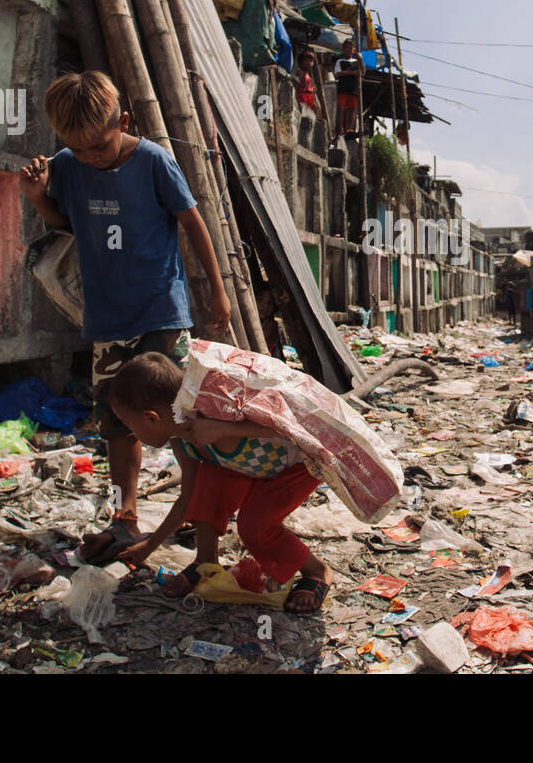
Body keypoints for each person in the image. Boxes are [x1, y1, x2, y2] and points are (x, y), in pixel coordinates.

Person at [18, 71, 232, 565]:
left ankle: (200, 514)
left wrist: (217, 293)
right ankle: (125, 513)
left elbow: (193, 223)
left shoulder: (154, 160)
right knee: (116, 420)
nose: (92, 156)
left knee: (178, 415)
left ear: (125, 121)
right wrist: (37, 196)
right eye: (80, 148)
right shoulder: (68, 165)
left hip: (160, 309)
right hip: (106, 318)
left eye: (101, 144)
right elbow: (65, 222)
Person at [109, 352, 333, 614]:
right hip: (248, 467)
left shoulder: (213, 418)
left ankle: (316, 571)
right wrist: (149, 546)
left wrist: (228, 429)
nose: (130, 433)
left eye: (128, 424)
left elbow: (291, 426)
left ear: (151, 418)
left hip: (296, 467)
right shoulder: (180, 439)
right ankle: (205, 561)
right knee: (205, 486)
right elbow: (188, 499)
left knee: (255, 526)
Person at [333, 39, 364, 140]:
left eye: (350, 48)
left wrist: (360, 59)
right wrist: (350, 73)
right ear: (343, 49)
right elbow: (337, 74)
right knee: (341, 109)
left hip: (353, 89)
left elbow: (362, 72)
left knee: (352, 111)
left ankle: (349, 130)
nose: (348, 50)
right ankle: (340, 130)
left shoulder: (356, 62)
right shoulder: (340, 61)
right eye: (346, 47)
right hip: (342, 88)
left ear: (354, 50)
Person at [295, 50, 318, 143]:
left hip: (309, 109)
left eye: (311, 61)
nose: (309, 63)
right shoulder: (298, 73)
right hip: (300, 107)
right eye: (307, 60)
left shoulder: (310, 78)